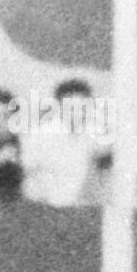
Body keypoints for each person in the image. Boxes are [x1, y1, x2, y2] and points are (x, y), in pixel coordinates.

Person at [21, 78, 111, 208]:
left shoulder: (92, 136)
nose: (79, 113)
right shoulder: (39, 135)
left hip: (78, 209)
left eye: (83, 107)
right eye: (72, 108)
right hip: (44, 208)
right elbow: (26, 172)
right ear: (58, 106)